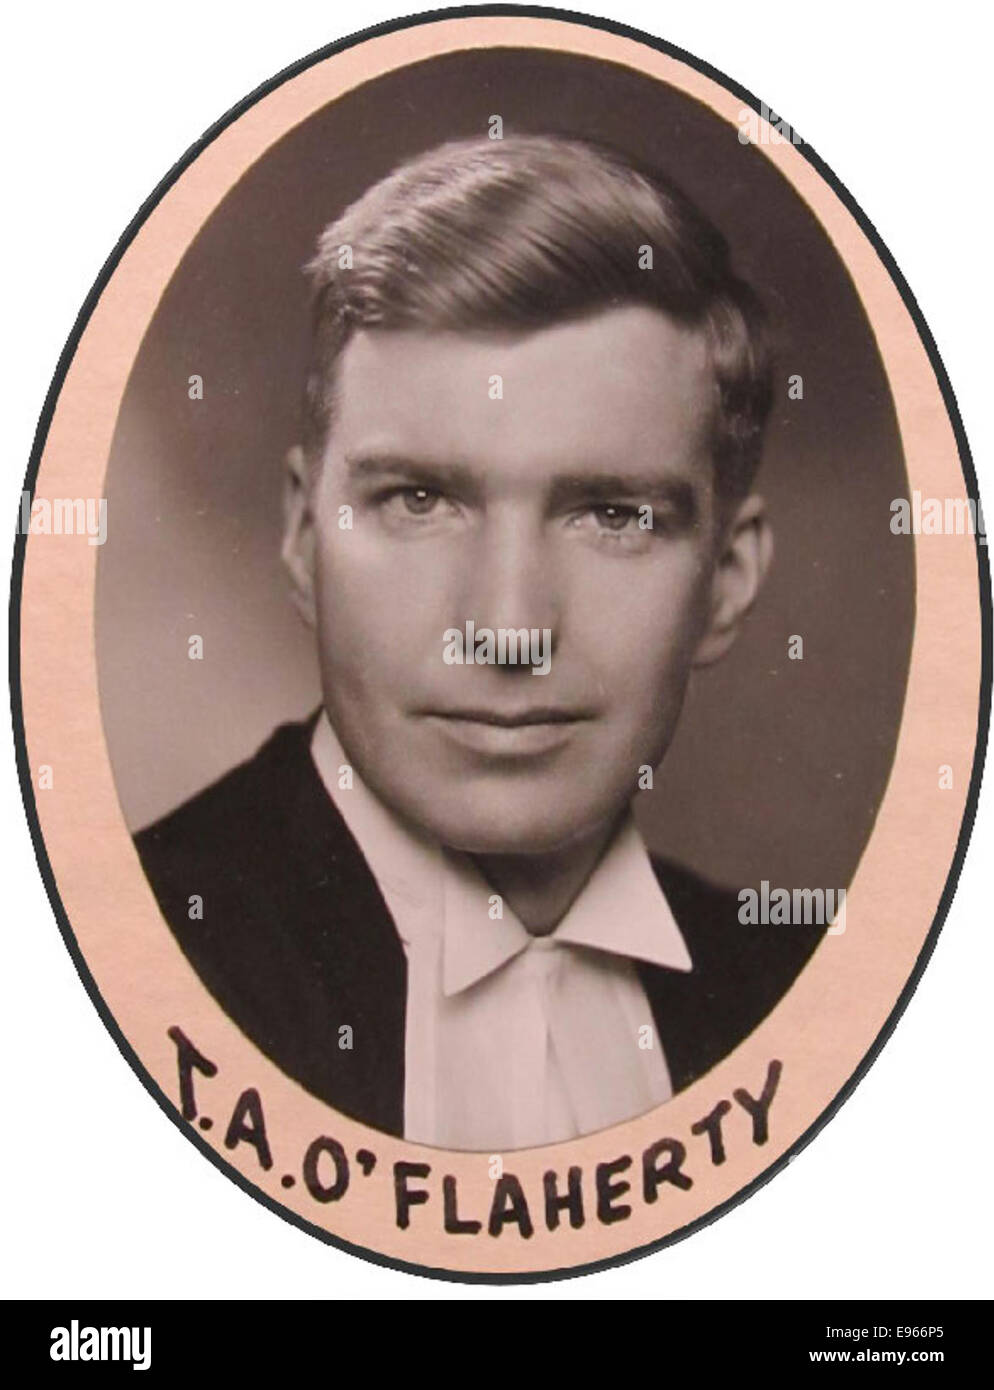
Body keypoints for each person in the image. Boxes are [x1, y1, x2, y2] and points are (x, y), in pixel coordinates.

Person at [135, 134, 823, 1149]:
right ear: (302, 538)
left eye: (611, 514)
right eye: (419, 499)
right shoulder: (105, 959)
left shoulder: (814, 994)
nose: (507, 630)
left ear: (726, 582)